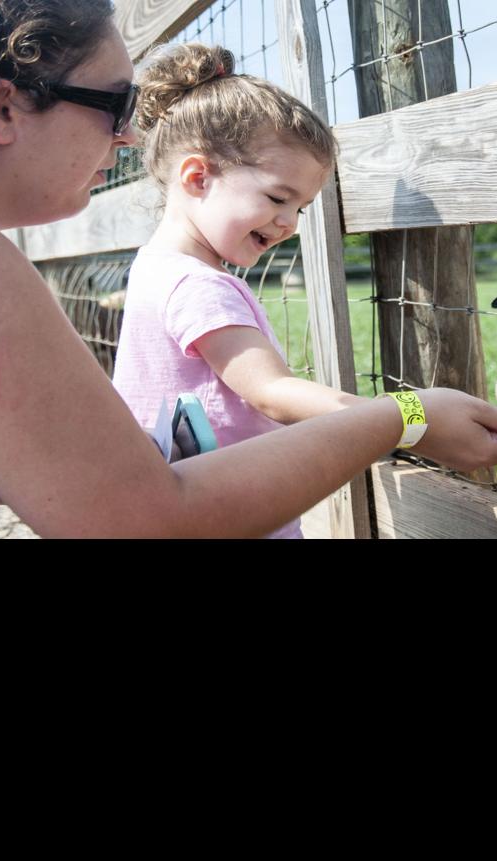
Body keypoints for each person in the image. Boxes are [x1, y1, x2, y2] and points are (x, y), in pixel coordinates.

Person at [0, 0, 497, 538]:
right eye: (115, 107)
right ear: (4, 108)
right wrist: (399, 417)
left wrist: (116, 459)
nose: (127, 140)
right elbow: (143, 525)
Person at [111, 43, 364, 539]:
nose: (289, 223)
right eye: (277, 198)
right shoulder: (199, 286)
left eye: (302, 208)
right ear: (198, 176)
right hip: (232, 518)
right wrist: (410, 417)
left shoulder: (153, 267)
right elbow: (272, 393)